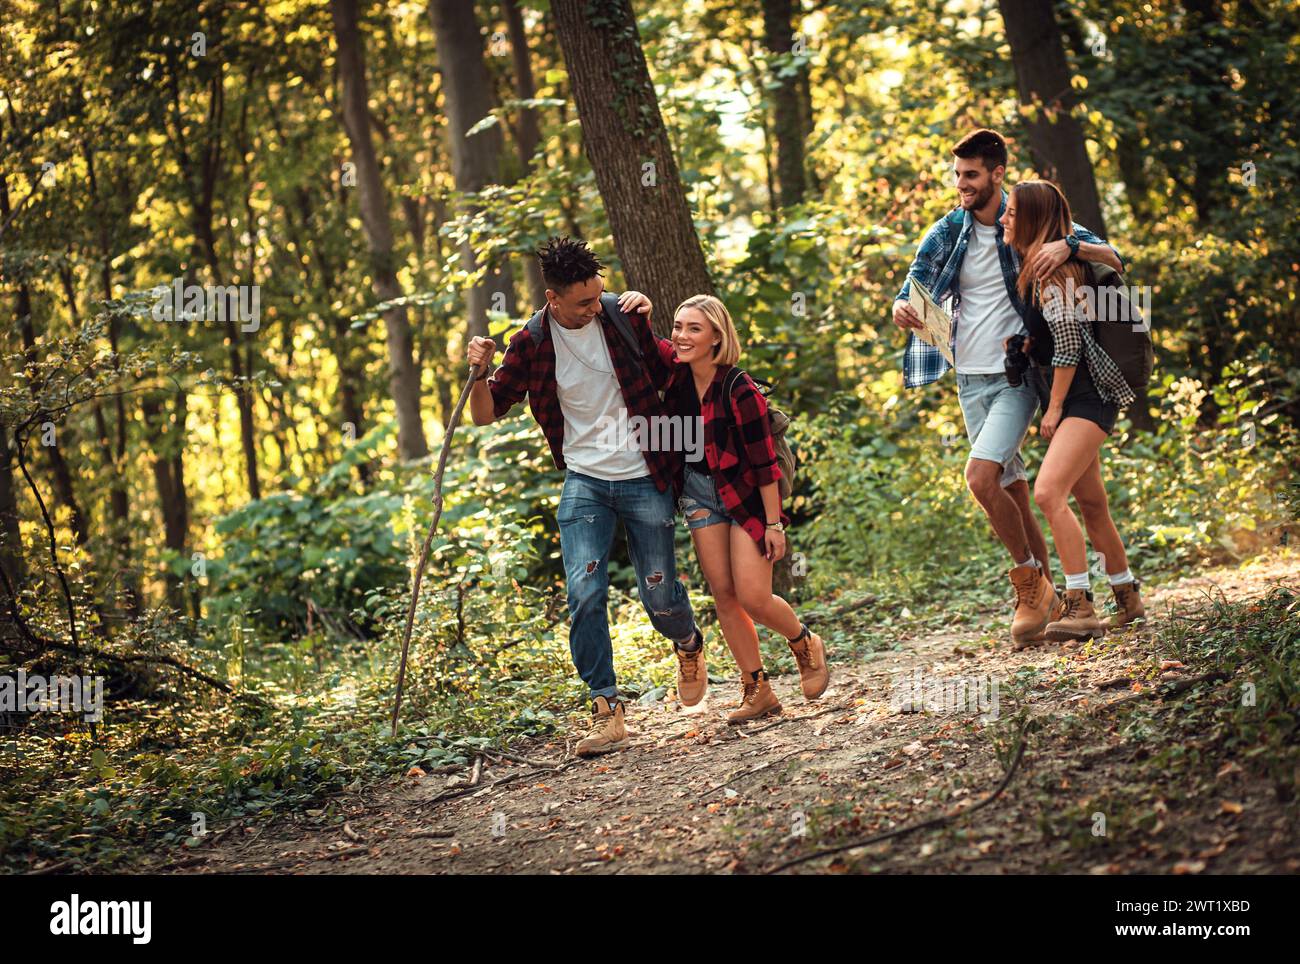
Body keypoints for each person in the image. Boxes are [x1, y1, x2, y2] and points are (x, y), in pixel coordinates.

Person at [465, 237, 707, 758]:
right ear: (553, 299)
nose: (596, 306)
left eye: (600, 295)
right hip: (585, 483)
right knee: (585, 592)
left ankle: (689, 644)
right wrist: (479, 371)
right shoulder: (529, 343)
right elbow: (485, 415)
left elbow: (677, 367)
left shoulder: (623, 315)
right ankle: (607, 708)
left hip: (645, 474)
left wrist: (658, 316)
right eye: (584, 302)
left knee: (659, 599)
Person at [891, 128, 1125, 647]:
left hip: (1020, 377)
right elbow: (910, 289)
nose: (962, 185)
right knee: (1013, 488)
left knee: (981, 477)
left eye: (971, 175)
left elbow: (1110, 256)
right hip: (967, 377)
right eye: (957, 175)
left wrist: (1070, 244)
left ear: (998, 173)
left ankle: (1030, 583)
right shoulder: (947, 231)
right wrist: (900, 309)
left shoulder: (1027, 218)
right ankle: (1047, 596)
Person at [664, 294, 829, 723]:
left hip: (747, 496)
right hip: (700, 495)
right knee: (724, 595)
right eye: (678, 327)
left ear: (717, 337)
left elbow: (764, 463)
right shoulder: (676, 383)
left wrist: (774, 524)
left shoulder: (739, 388)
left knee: (753, 597)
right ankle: (757, 688)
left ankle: (804, 642)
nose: (682, 336)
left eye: (694, 329)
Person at [1000, 180, 1147, 638]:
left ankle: (1079, 605)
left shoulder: (1053, 271)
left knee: (1047, 494)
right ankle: (1128, 597)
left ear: (1031, 220)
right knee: (1091, 502)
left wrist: (1054, 408)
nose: (1005, 217)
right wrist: (1027, 344)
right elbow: (1058, 335)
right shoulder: (1035, 266)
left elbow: (1067, 349)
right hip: (1076, 394)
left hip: (1086, 396)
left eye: (1013, 212)